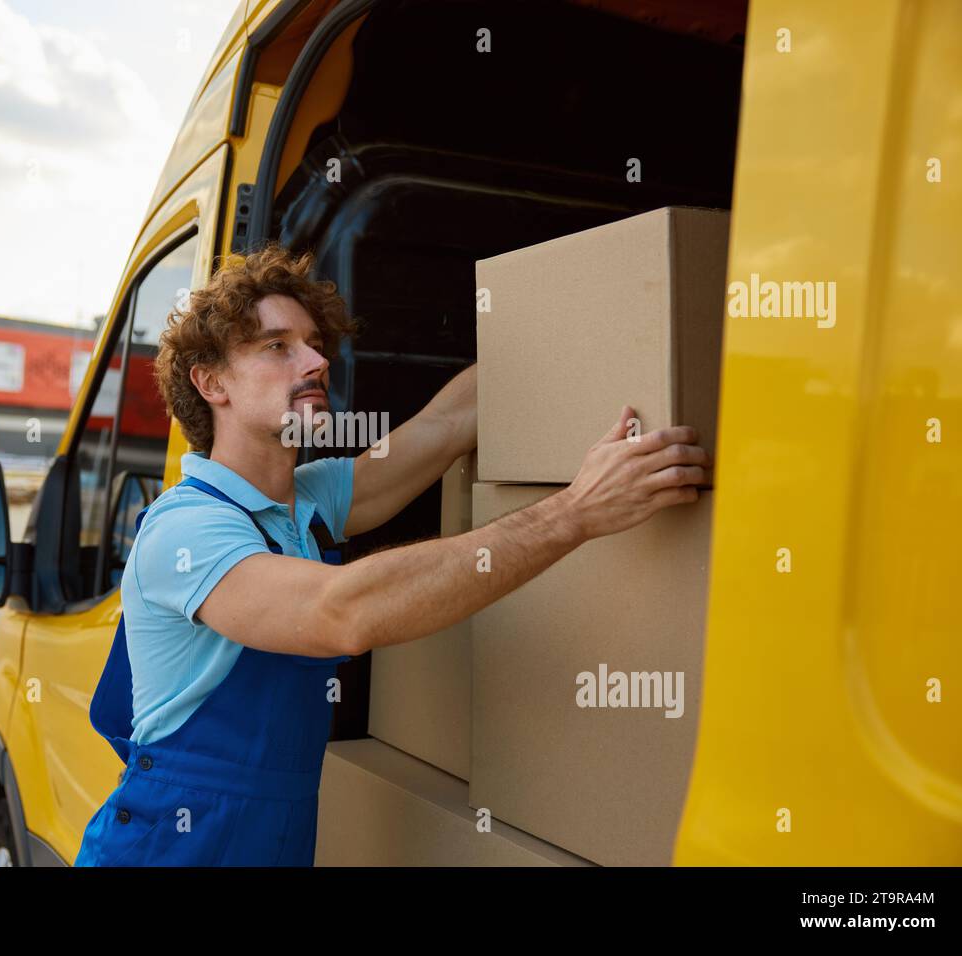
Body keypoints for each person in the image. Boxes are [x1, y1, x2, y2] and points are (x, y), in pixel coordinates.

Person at [74, 243, 711, 866]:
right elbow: (338, 613)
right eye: (277, 346)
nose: (315, 361)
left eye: (315, 344)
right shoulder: (186, 529)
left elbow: (446, 426)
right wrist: (575, 512)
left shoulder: (309, 497)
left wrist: (596, 310)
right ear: (211, 382)